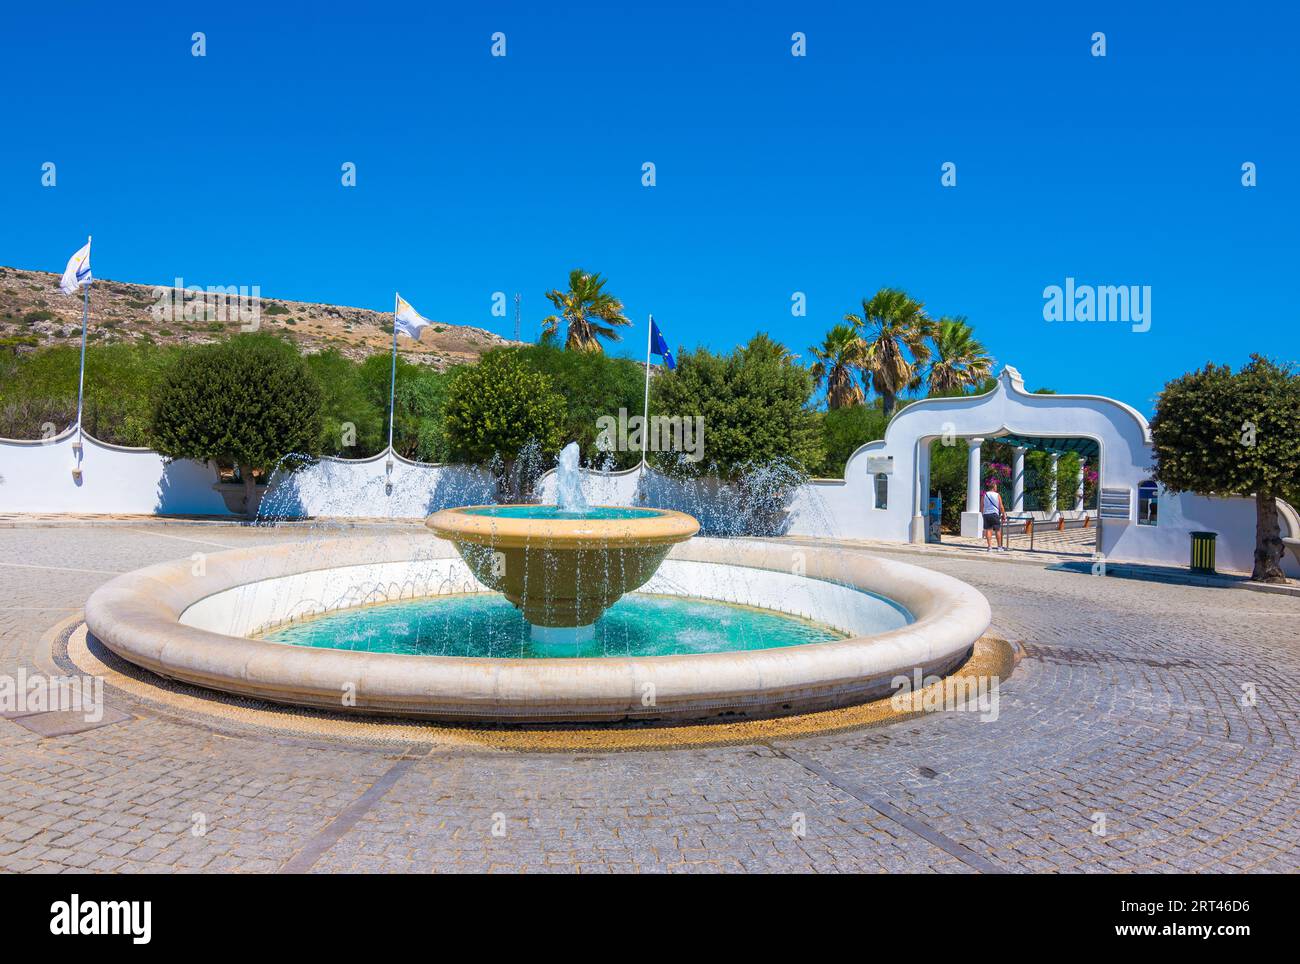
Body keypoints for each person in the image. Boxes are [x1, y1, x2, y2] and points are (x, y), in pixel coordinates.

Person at [982, 478, 1007, 552]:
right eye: (996, 486)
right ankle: (999, 547)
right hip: (994, 514)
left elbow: (981, 505)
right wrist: (1004, 514)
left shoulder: (985, 494)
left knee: (988, 530)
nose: (996, 488)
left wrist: (982, 514)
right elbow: (1001, 506)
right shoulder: (997, 495)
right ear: (993, 487)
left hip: (986, 514)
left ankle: (989, 547)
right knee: (997, 530)